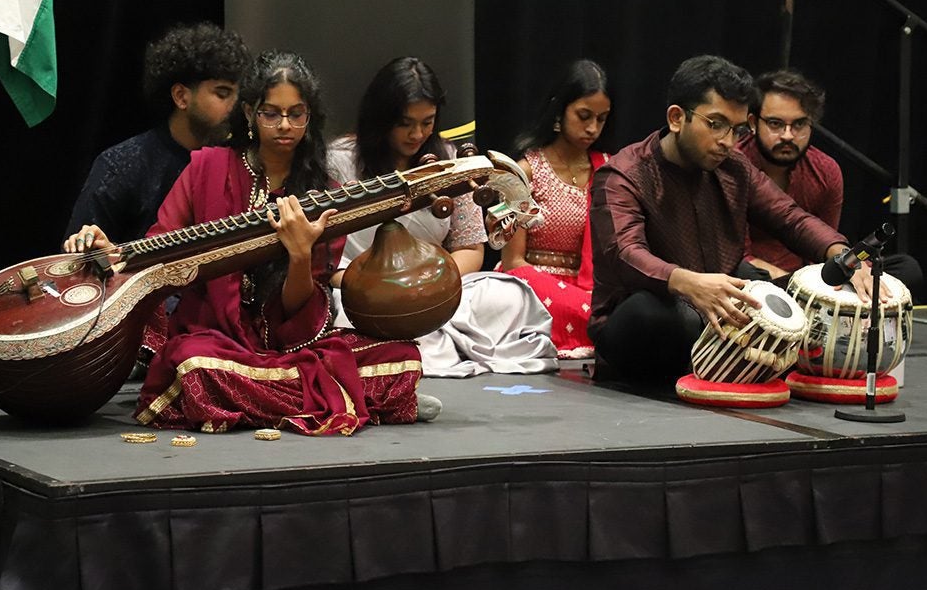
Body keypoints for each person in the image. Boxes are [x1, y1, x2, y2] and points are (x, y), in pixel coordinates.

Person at [65, 50, 435, 435]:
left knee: (402, 355)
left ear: (310, 116)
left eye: (296, 113)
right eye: (270, 113)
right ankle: (351, 394)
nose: (284, 125)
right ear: (248, 114)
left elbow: (298, 327)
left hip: (284, 345)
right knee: (193, 362)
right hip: (215, 338)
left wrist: (299, 254)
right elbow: (160, 249)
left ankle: (288, 393)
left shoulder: (325, 194)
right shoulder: (206, 168)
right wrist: (115, 253)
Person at [588, 54, 874, 384]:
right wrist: (688, 283)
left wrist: (841, 254)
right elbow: (625, 254)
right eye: (716, 124)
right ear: (677, 118)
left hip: (724, 309)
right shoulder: (624, 175)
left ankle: (737, 354)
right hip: (652, 320)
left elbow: (790, 217)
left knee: (892, 273)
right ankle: (751, 356)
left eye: (736, 130)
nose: (727, 141)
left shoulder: (734, 168)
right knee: (650, 313)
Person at [326, 56, 557, 377]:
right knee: (332, 310)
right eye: (405, 123)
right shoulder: (339, 163)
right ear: (381, 118)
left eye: (427, 121)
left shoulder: (450, 161)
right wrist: (371, 289)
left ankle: (407, 345)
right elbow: (323, 260)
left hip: (435, 294)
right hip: (360, 295)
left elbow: (470, 249)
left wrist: (426, 288)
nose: (417, 134)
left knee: (508, 296)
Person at [63, 22, 250, 245]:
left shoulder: (244, 160)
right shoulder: (121, 165)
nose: (235, 107)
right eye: (222, 94)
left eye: (239, 96)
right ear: (181, 96)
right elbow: (79, 258)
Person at [738, 69, 923, 291]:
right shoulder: (734, 165)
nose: (787, 135)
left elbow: (822, 243)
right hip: (756, 276)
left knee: (906, 269)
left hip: (811, 276)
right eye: (775, 124)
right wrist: (794, 281)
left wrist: (843, 266)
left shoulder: (825, 170)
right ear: (752, 122)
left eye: (799, 124)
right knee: (742, 270)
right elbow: (739, 253)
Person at [499, 59, 614, 359]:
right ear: (559, 111)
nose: (592, 128)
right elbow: (513, 263)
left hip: (593, 290)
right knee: (605, 323)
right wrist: (576, 301)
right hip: (530, 288)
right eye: (584, 116)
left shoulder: (611, 171)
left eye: (601, 119)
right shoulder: (525, 172)